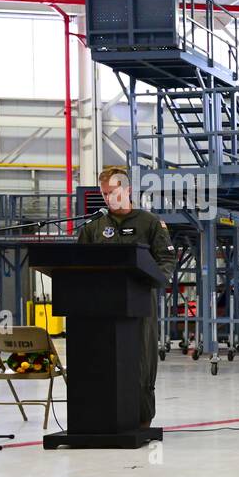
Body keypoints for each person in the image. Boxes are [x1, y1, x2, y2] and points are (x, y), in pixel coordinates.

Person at [78, 165, 177, 428]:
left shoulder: (150, 223)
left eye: (113, 191)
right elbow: (77, 264)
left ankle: (141, 418)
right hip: (101, 307)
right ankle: (103, 416)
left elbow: (166, 259)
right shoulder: (93, 227)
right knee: (102, 360)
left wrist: (151, 282)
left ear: (128, 189)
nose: (108, 198)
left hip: (139, 305)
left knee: (141, 361)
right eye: (104, 193)